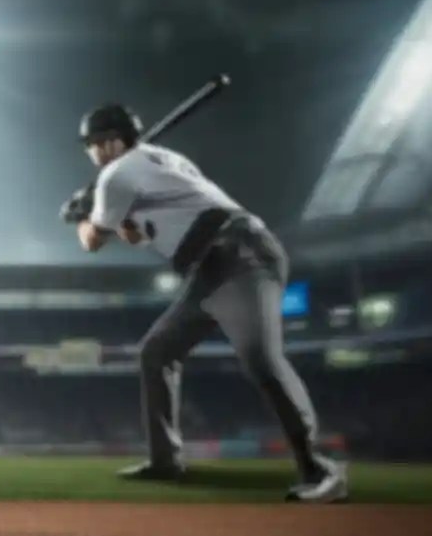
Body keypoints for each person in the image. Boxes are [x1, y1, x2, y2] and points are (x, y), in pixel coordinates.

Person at [60, 103, 347, 503]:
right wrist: (102, 211)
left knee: (261, 360)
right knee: (156, 353)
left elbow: (92, 242)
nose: (89, 152)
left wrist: (80, 215)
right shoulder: (159, 161)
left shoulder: (116, 174)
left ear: (108, 143)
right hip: (210, 267)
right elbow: (136, 235)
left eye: (91, 144)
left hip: (240, 257)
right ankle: (165, 460)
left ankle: (320, 469)